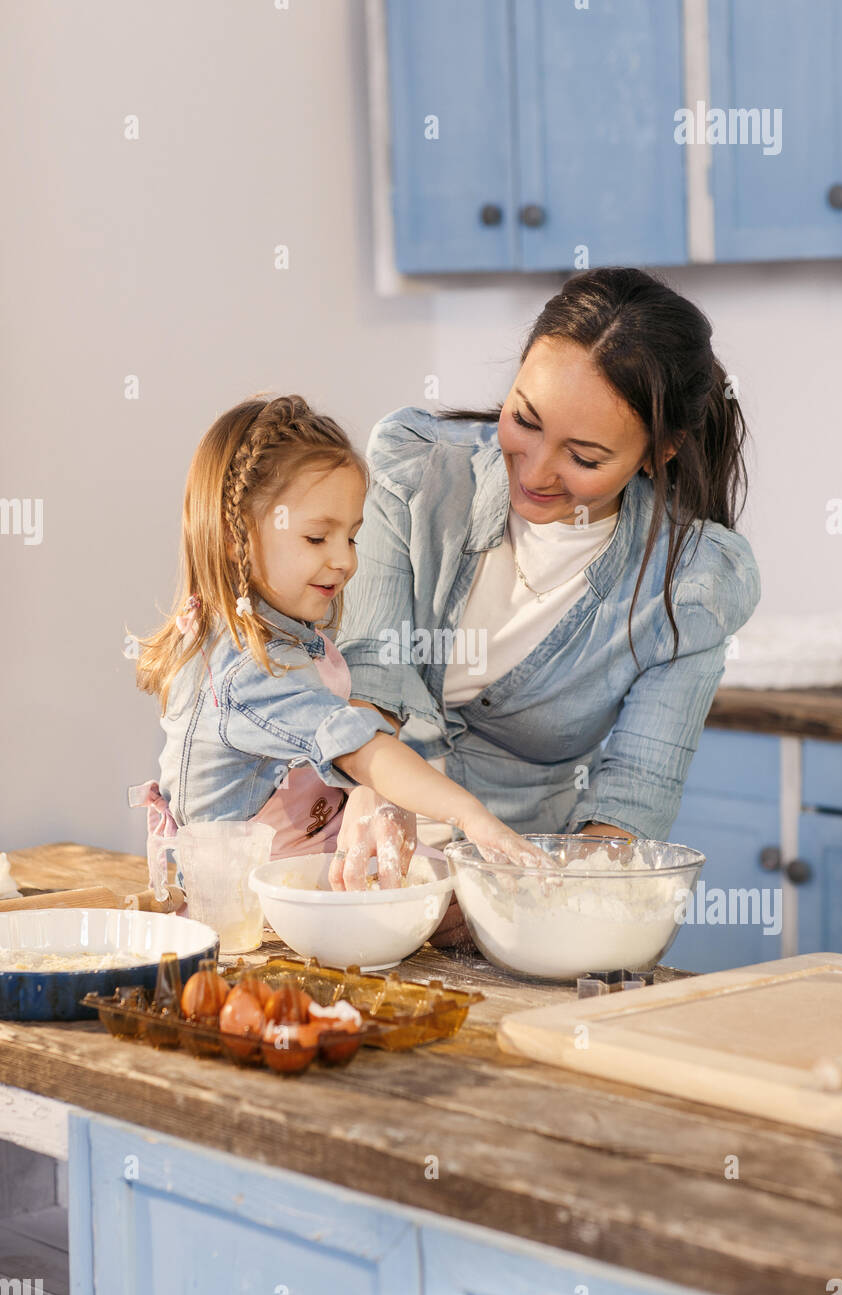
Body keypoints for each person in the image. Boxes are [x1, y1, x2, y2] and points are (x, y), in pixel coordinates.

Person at [333, 268, 760, 940]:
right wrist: (381, 800)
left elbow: (632, 804)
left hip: (520, 911)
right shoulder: (415, 470)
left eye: (583, 457)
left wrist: (512, 905)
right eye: (523, 421)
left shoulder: (691, 582)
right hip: (349, 865)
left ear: (661, 451)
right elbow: (373, 675)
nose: (532, 473)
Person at [132, 394, 549, 883]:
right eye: (317, 538)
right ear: (234, 537)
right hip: (240, 909)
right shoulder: (246, 671)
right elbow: (363, 748)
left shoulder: (286, 635)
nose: (347, 561)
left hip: (298, 868)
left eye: (351, 536)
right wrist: (471, 816)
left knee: (458, 890)